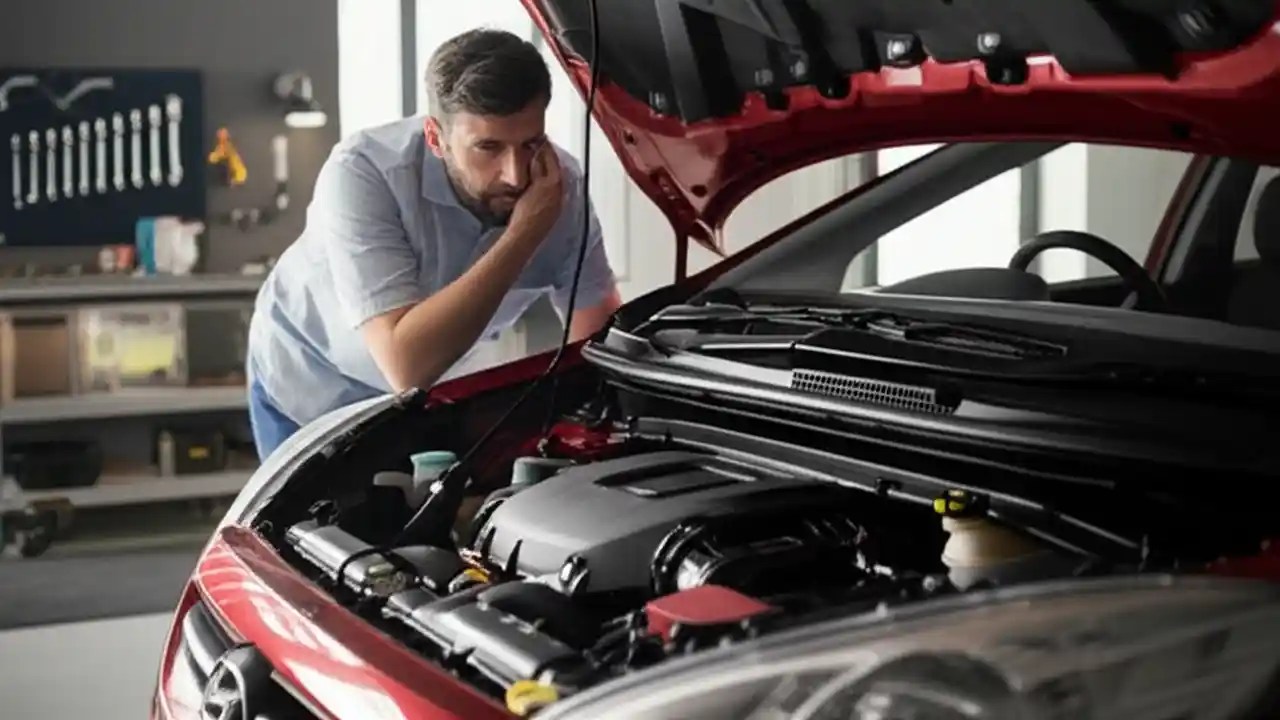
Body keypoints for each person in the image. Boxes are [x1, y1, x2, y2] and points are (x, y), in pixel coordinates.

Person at [244, 28, 622, 460]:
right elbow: (406, 363)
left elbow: (597, 338)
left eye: (531, 143)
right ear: (435, 137)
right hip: (310, 382)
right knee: (318, 525)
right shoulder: (364, 173)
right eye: (488, 147)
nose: (516, 175)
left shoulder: (560, 187)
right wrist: (526, 232)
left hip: (430, 397)